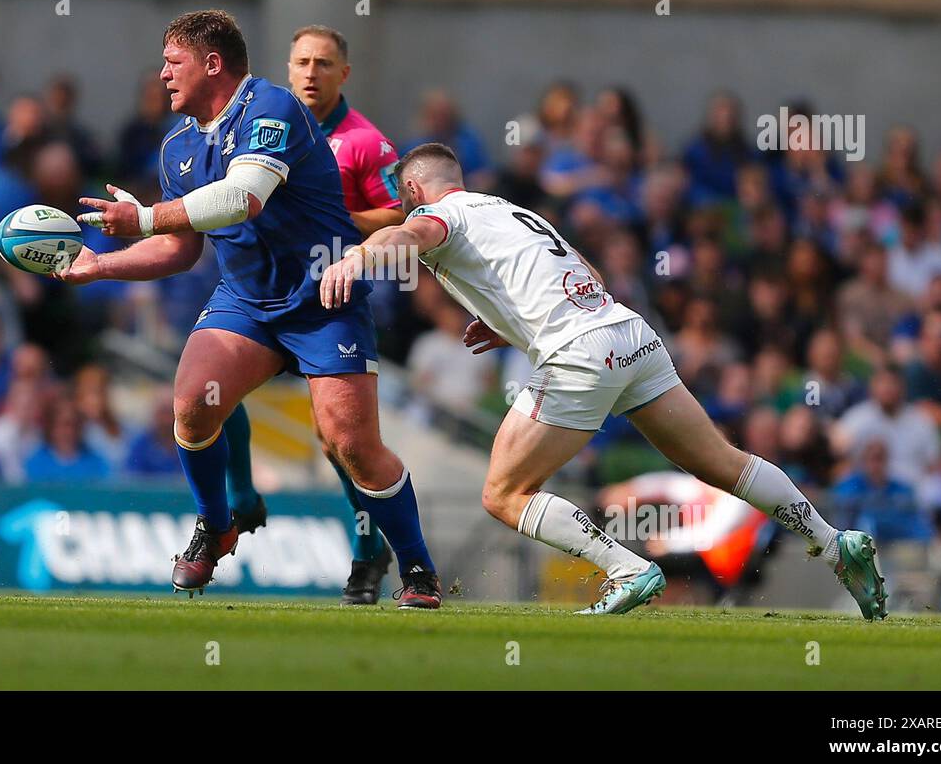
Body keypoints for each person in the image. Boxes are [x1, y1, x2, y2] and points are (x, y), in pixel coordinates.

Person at [320, 143, 888, 619]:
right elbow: (587, 273)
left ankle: (629, 569)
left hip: (579, 354)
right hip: (627, 332)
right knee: (723, 461)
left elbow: (407, 240)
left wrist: (357, 259)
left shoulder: (439, 216)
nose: (399, 208)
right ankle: (835, 543)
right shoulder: (510, 210)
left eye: (402, 198)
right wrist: (507, 324)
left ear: (415, 192)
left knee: (502, 493)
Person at [60, 10, 441, 608]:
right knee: (191, 405)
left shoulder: (271, 108)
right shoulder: (178, 146)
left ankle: (417, 568)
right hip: (246, 301)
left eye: (172, 62)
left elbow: (242, 198)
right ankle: (216, 523)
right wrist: (101, 263)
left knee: (351, 445)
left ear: (212, 64)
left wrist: (143, 216)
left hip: (325, 296)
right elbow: (181, 250)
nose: (161, 75)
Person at [219, 24, 406, 605]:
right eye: (302, 61)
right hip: (260, 291)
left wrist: (334, 216)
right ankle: (242, 499)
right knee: (210, 391)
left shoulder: (365, 143)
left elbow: (400, 212)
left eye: (324, 63)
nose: (310, 73)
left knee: (336, 441)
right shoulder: (258, 123)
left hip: (326, 298)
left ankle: (370, 543)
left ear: (343, 74)